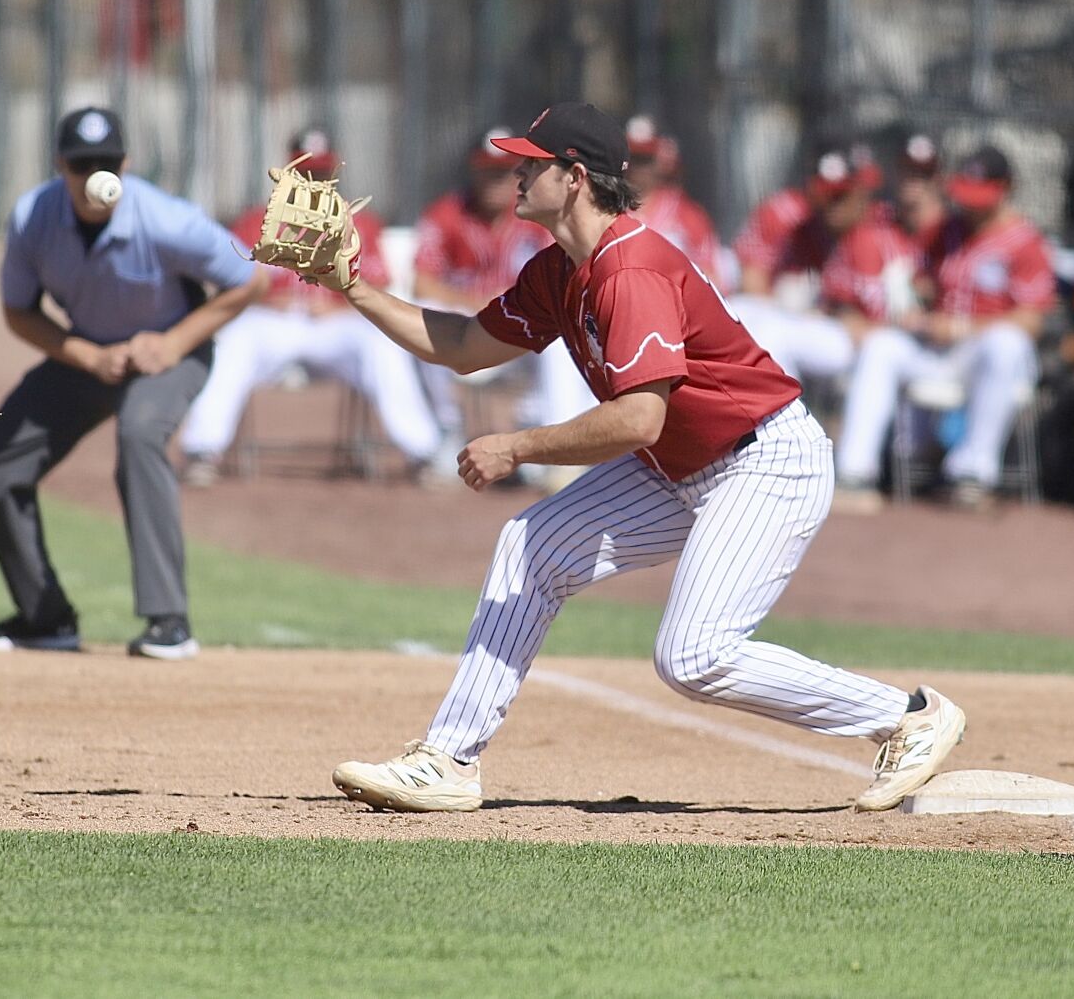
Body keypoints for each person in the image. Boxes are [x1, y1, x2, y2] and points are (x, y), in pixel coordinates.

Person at [325, 102, 966, 813]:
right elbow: (464, 346)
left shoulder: (630, 269)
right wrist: (352, 286)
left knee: (694, 656)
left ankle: (906, 716)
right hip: (677, 465)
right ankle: (448, 759)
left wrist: (518, 445)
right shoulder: (560, 269)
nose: (515, 174)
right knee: (532, 546)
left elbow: (638, 418)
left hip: (764, 461)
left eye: (531, 163)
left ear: (574, 178)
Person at [0, 106, 267, 658]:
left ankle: (169, 621)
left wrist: (173, 343)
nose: (92, 175)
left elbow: (249, 280)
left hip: (170, 355)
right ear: (60, 165)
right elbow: (18, 312)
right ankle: (45, 619)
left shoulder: (167, 219)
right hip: (87, 355)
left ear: (124, 164)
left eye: (104, 162)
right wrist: (86, 355)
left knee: (140, 432)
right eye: (81, 164)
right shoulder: (32, 217)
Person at [177, 129, 443, 485]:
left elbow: (380, 289)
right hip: (271, 322)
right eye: (305, 172)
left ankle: (422, 452)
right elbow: (226, 285)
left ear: (333, 172)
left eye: (320, 172)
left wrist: (339, 308)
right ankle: (202, 450)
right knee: (233, 342)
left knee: (382, 344)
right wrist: (266, 298)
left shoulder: (360, 222)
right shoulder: (256, 220)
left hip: (337, 324)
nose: (313, 180)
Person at [834, 145, 1056, 512]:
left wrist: (961, 328)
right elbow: (922, 282)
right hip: (935, 349)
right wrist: (914, 305)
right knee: (881, 345)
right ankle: (855, 472)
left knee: (1007, 343)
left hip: (984, 357)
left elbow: (1032, 321)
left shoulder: (1025, 241)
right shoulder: (947, 231)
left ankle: (973, 472)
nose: (971, 206)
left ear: (1007, 188)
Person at [412, 126, 595, 490]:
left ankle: (557, 450)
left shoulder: (537, 214)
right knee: (424, 316)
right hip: (469, 328)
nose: (495, 181)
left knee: (563, 332)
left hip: (524, 333)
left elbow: (567, 275)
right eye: (487, 170)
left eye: (503, 172)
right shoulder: (448, 213)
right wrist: (474, 301)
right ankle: (445, 433)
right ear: (473, 170)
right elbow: (422, 283)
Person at [726, 145, 875, 384]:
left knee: (773, 335)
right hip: (818, 324)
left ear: (859, 193)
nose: (832, 204)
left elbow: (871, 321)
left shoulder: (873, 234)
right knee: (737, 311)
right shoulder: (809, 228)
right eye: (827, 195)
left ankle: (787, 408)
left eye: (840, 196)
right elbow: (753, 280)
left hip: (856, 339)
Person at [624, 115, 726, 285]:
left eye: (645, 160)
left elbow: (711, 276)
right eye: (633, 159)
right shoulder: (609, 207)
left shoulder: (686, 214)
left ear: (661, 160)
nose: (638, 168)